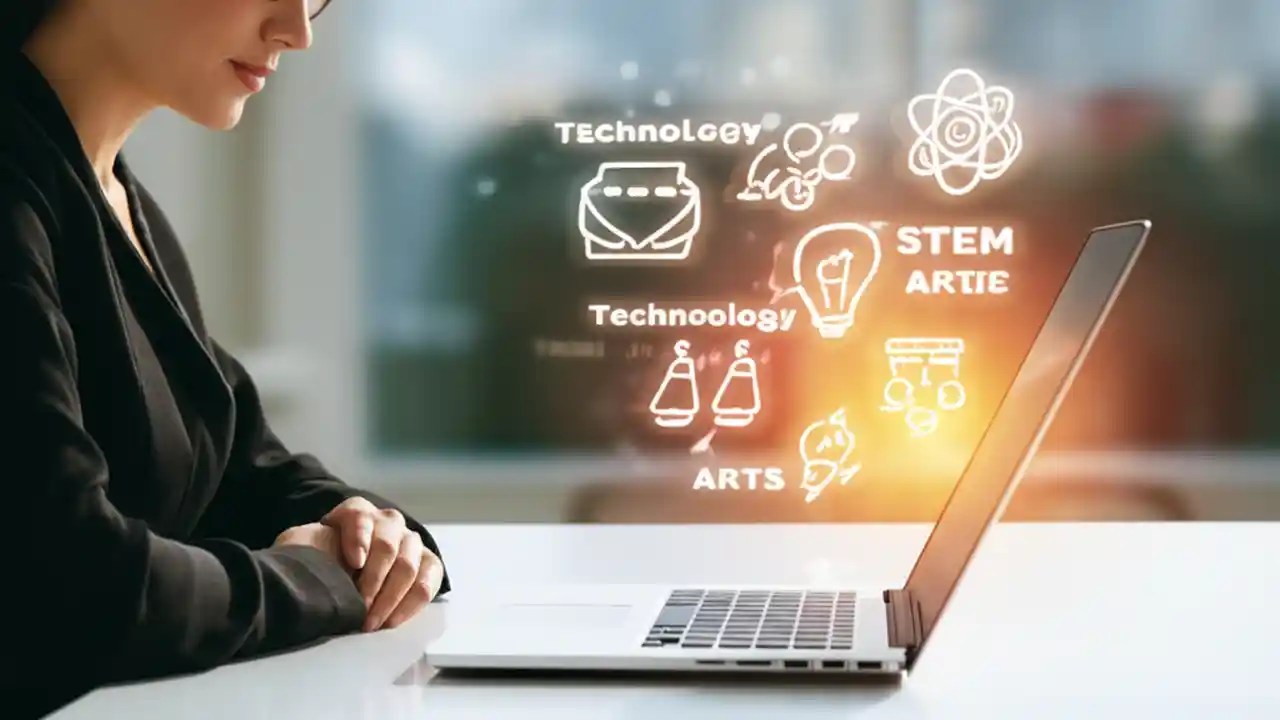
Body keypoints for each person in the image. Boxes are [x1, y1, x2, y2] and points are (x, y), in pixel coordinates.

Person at [0, 1, 449, 714]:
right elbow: (78, 585)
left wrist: (368, 535)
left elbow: (243, 469)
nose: (297, 31)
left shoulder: (111, 195)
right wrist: (320, 578)